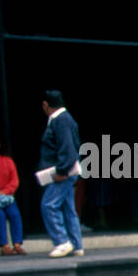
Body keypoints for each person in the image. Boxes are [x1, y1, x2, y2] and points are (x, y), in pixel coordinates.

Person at [38, 90, 84, 258]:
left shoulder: (61, 121)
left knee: (49, 204)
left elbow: (67, 148)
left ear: (45, 104)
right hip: (67, 170)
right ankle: (76, 244)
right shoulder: (64, 119)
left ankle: (62, 241)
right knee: (67, 207)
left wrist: (62, 170)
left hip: (63, 171)